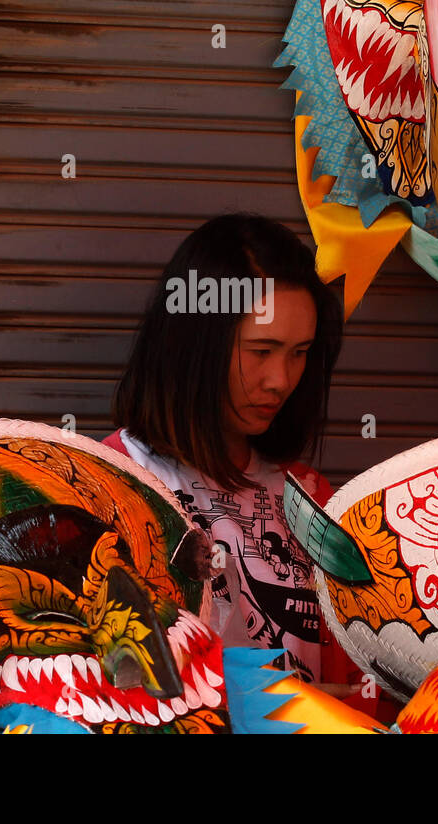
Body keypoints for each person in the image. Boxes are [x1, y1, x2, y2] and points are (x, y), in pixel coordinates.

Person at [104, 214, 343, 684]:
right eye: (261, 350)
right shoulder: (113, 486)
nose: (281, 380)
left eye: (300, 353)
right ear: (194, 345)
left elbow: (352, 683)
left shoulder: (313, 499)